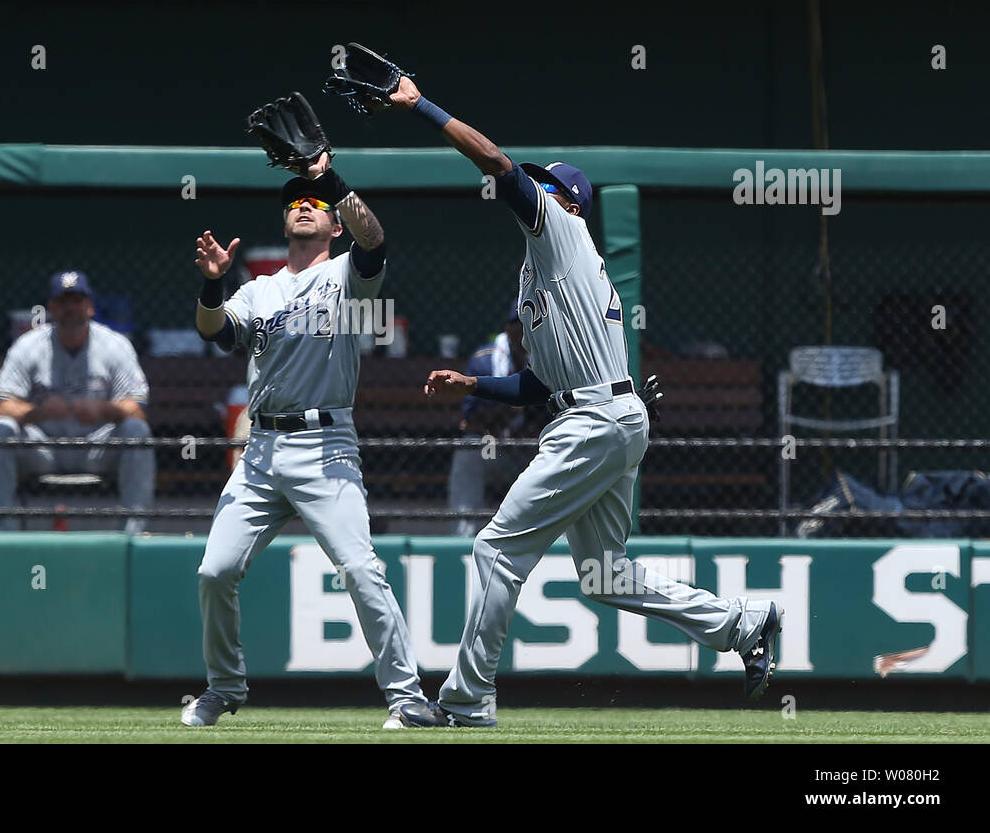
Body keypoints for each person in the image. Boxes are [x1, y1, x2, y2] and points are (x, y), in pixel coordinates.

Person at [372, 76, 782, 728]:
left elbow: (498, 166)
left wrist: (418, 105)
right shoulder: (542, 272)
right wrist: (476, 385)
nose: (539, 191)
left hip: (594, 420)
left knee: (497, 549)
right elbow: (541, 383)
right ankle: (742, 623)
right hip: (602, 414)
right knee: (605, 576)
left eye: (550, 187)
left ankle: (467, 698)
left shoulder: (562, 235)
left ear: (572, 205)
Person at [181, 150, 429, 729]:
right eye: (293, 202)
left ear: (334, 222)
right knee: (214, 572)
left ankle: (407, 696)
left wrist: (328, 179)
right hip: (261, 451)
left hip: (327, 446)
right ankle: (223, 686)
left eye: (313, 203)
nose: (302, 207)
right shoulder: (258, 290)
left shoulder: (345, 273)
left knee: (361, 570)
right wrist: (213, 284)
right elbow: (215, 332)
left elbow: (375, 238)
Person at [0, 271, 155, 533]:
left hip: (96, 448)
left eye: (78, 301)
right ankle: (3, 531)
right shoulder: (28, 345)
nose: (71, 308)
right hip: (43, 448)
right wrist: (37, 413)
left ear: (90, 307)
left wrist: (101, 410)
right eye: (64, 302)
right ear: (51, 308)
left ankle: (135, 533)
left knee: (136, 431)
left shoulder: (115, 345)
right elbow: (1, 406)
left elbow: (137, 409)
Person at [447, 306, 548, 536]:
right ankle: (461, 537)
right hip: (493, 449)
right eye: (517, 325)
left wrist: (526, 424)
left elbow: (555, 416)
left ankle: (555, 540)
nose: (522, 332)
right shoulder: (485, 360)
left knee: (563, 448)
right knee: (468, 450)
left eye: (527, 325)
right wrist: (509, 411)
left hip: (533, 451)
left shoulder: (549, 359)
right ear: (507, 329)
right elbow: (470, 421)